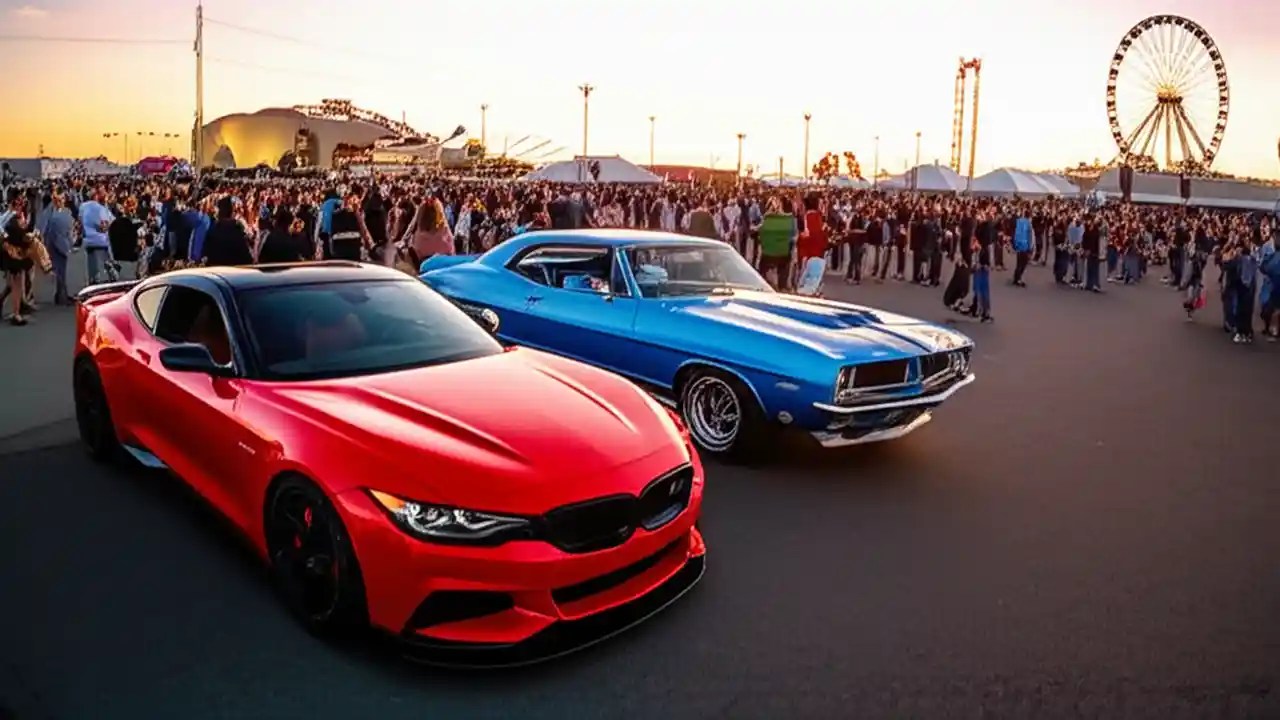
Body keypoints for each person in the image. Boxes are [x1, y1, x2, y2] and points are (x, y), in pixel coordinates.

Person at [38, 192, 75, 304]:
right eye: (59, 200)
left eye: (62, 199)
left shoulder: (65, 212)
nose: (61, 201)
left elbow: (69, 229)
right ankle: (62, 295)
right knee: (59, 270)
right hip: (54, 244)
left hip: (62, 243)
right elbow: (44, 228)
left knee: (61, 270)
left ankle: (60, 294)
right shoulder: (50, 213)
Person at [2, 202, 35, 325]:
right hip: (15, 255)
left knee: (15, 285)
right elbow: (18, 236)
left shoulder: (10, 219)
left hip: (14, 255)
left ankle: (18, 310)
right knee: (15, 285)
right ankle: (16, 313)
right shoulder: (11, 221)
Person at [201, 196, 253, 267]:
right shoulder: (237, 231)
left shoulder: (213, 230)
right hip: (233, 273)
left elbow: (204, 254)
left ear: (220, 212)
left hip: (216, 272)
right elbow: (247, 259)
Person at [78, 186, 115, 284]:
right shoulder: (101, 209)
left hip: (88, 239)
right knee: (106, 258)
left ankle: (93, 279)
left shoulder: (83, 207)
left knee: (91, 260)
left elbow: (80, 221)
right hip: (101, 239)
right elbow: (106, 224)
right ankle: (113, 275)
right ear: (97, 196)